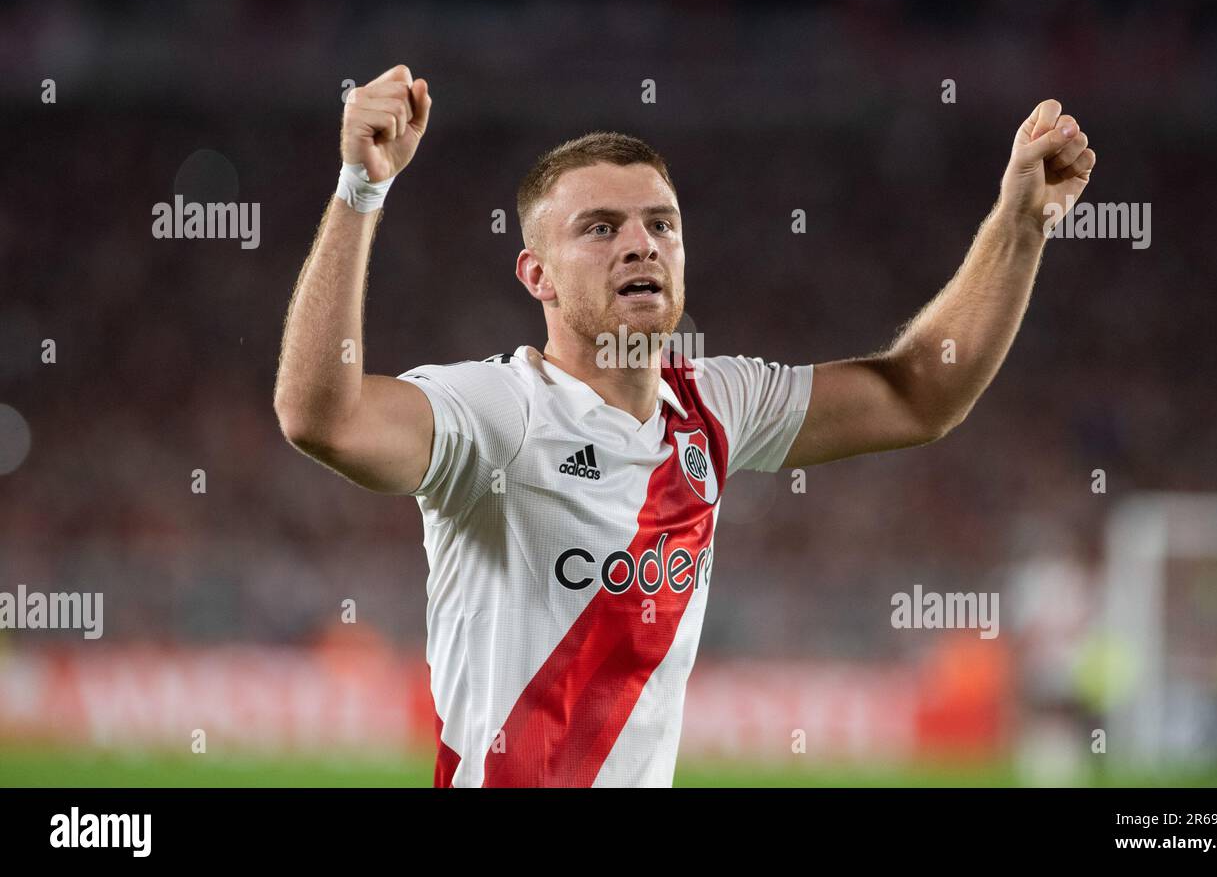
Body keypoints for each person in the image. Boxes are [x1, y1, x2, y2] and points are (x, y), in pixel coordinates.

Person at [273, 64, 1096, 786]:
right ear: (537, 275)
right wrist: (361, 188)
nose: (640, 245)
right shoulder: (501, 415)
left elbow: (920, 395)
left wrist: (1020, 224)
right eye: (599, 228)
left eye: (660, 224)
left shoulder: (714, 406)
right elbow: (321, 417)